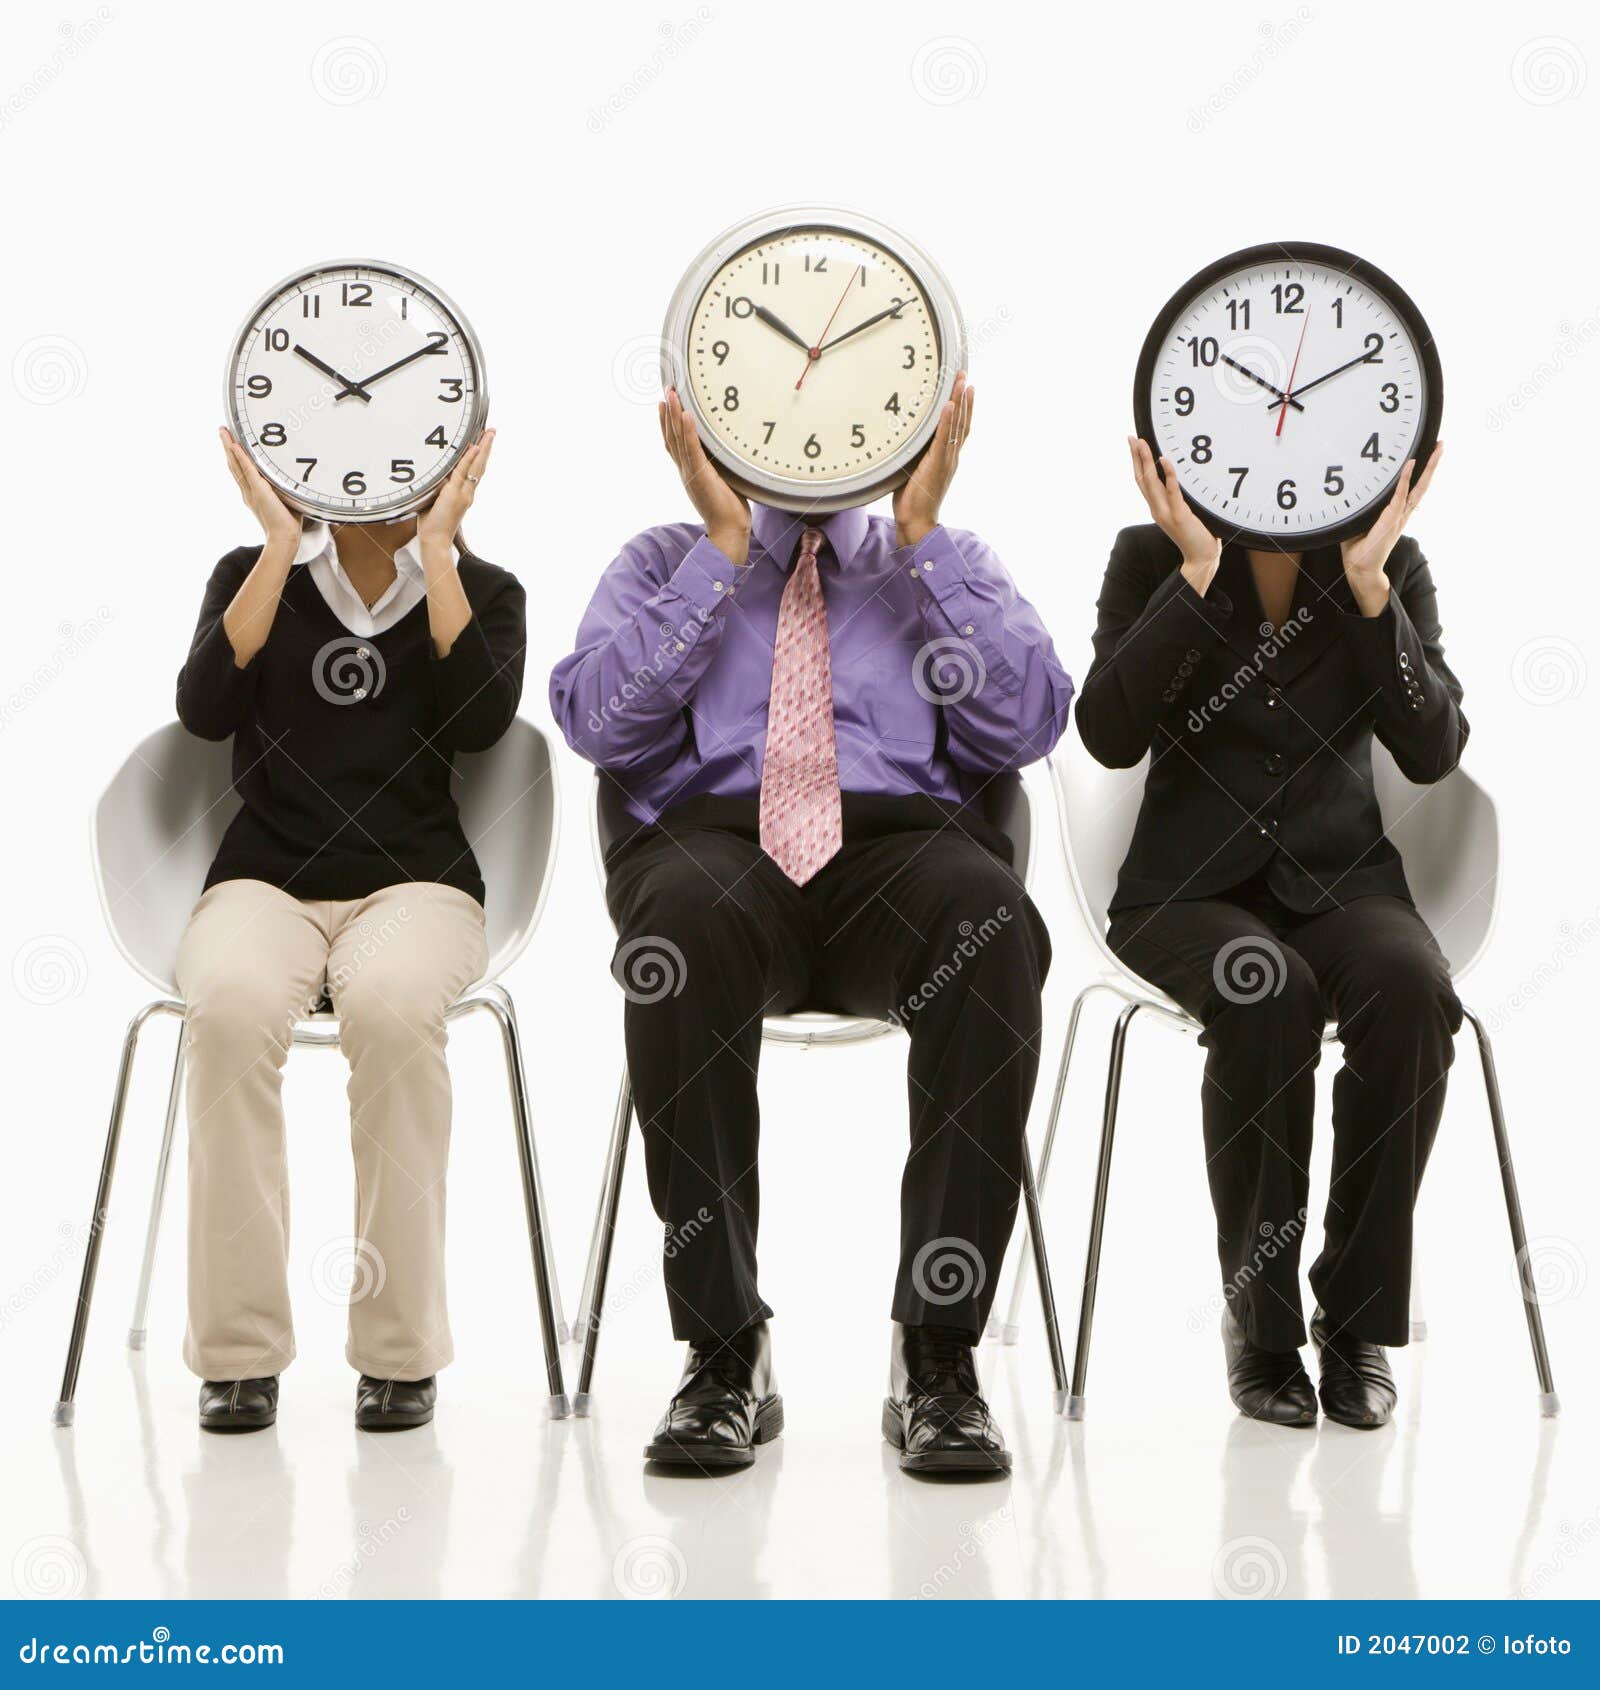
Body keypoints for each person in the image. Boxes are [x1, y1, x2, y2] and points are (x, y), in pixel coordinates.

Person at [551, 379, 1072, 1474]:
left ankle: (937, 1353)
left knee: (991, 918)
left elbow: (1026, 725)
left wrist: (924, 539)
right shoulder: (660, 561)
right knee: (681, 926)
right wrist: (723, 550)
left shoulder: (938, 558)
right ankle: (724, 1348)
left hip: (899, 852)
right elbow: (599, 723)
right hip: (718, 849)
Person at [1075, 437, 1462, 1429]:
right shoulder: (1148, 556)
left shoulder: (1391, 563)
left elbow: (1431, 750)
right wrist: (1196, 578)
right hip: (1185, 892)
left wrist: (1372, 593)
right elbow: (1108, 732)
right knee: (1266, 987)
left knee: (1411, 986)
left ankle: (1358, 1317)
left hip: (1340, 883)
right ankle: (1262, 1323)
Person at [173, 426, 523, 1433]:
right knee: (232, 1012)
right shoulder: (252, 573)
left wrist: (441, 551)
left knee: (394, 1008)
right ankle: (238, 1358)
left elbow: (481, 720)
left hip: (415, 885)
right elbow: (202, 709)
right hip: (265, 881)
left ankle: (398, 1354)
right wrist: (281, 543)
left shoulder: (487, 589)